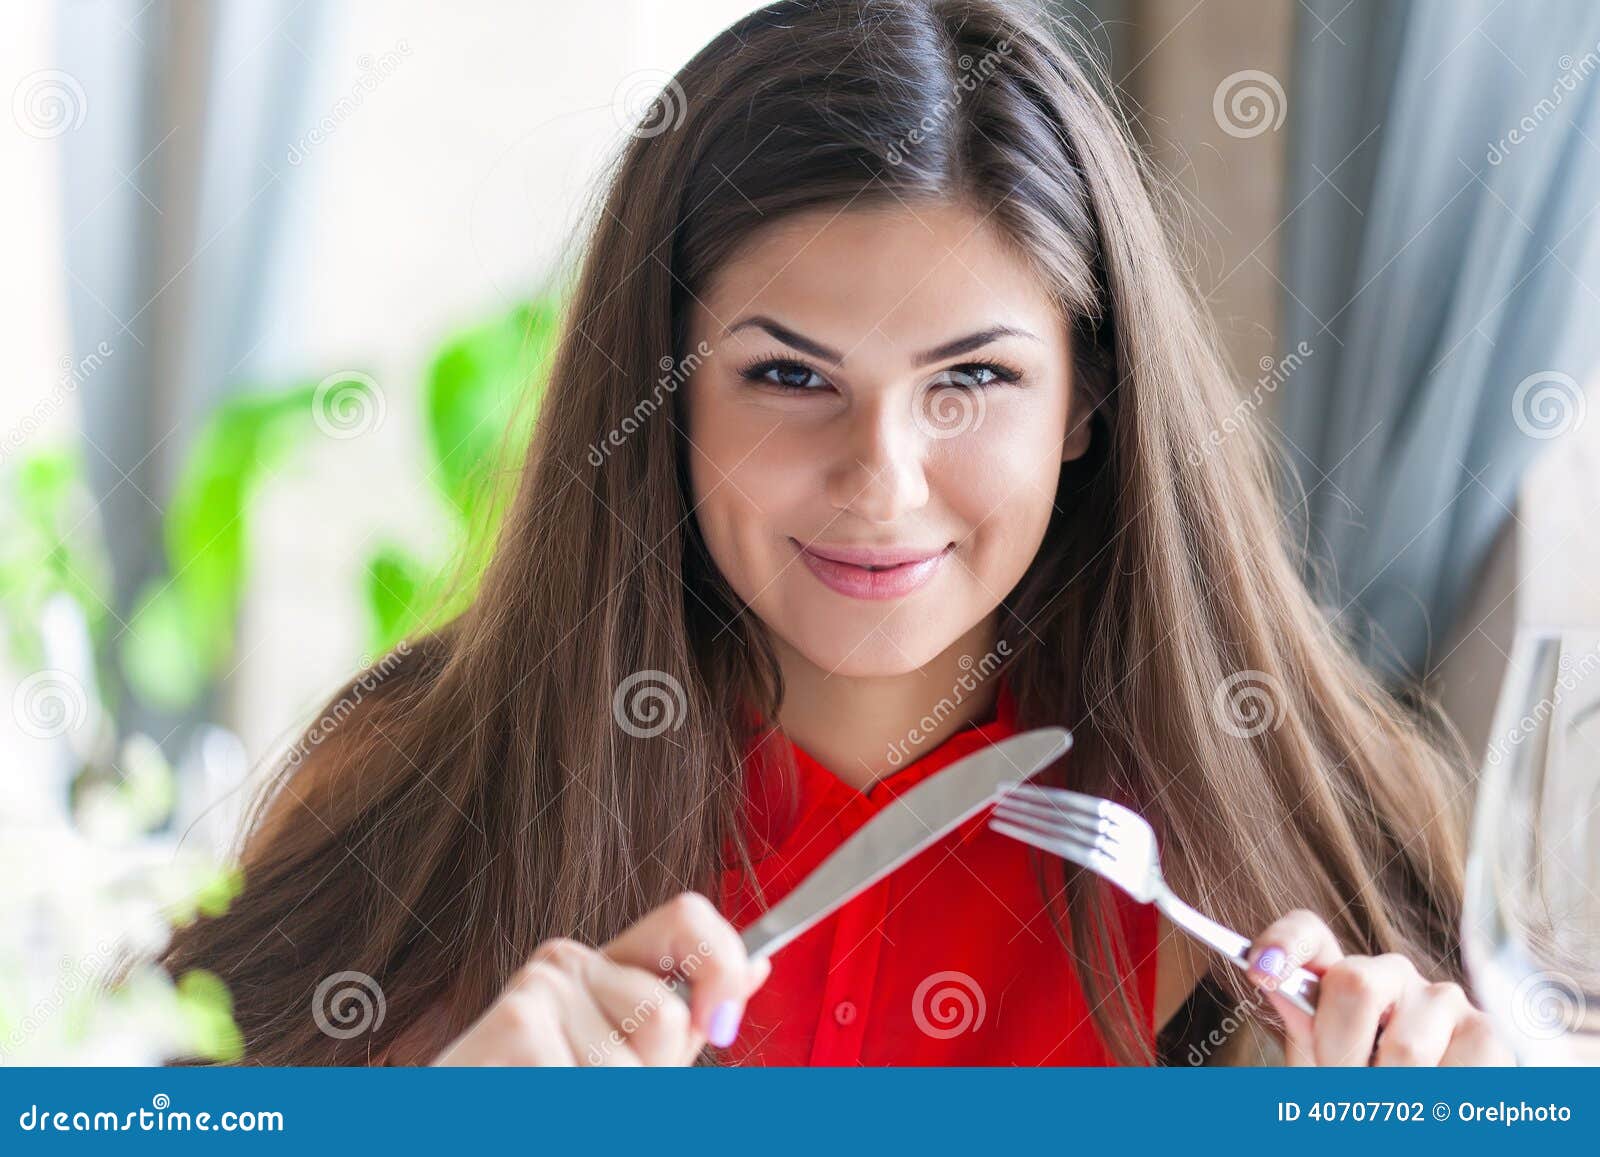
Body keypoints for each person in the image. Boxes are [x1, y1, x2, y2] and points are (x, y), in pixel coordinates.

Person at [162, 0, 1508, 1067]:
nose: (880, 478)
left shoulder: (1321, 838)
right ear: (664, 388)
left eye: (971, 381)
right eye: (790, 377)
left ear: (1089, 397)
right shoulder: (411, 794)